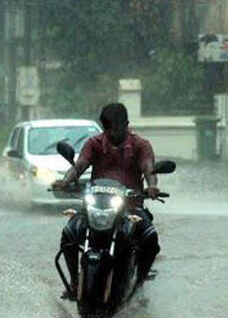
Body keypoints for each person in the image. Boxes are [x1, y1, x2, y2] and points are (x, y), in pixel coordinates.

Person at [51, 103, 161, 300]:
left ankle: (139, 285)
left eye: (115, 127)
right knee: (69, 233)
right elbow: (79, 166)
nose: (111, 132)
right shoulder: (94, 143)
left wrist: (151, 186)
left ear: (126, 124)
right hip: (95, 206)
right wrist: (66, 180)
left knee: (150, 238)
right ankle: (75, 283)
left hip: (129, 208)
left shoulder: (140, 145)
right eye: (107, 127)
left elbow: (148, 168)